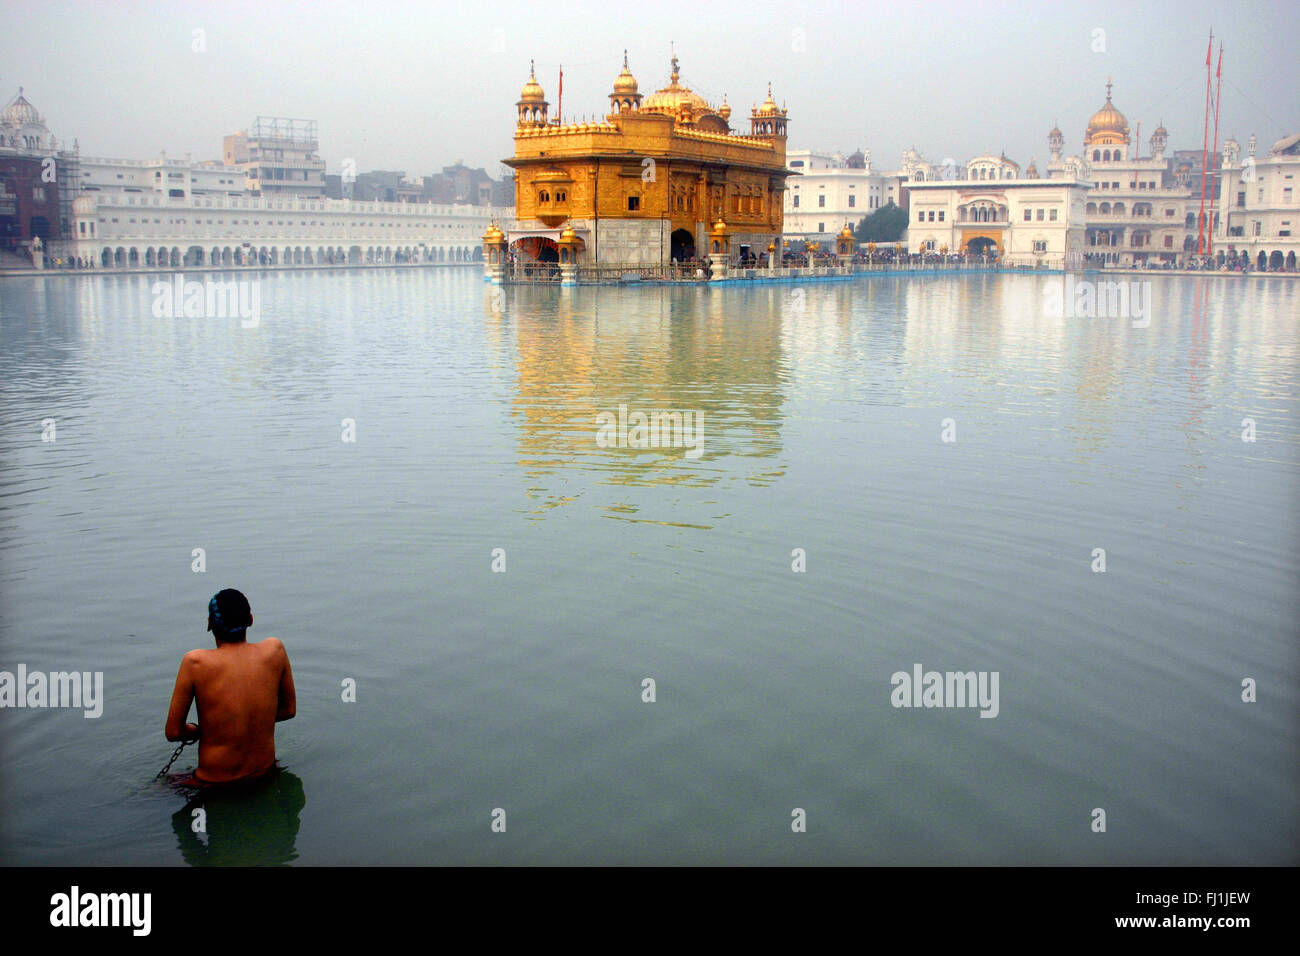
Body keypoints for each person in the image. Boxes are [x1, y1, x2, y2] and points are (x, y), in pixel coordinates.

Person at [165, 589, 296, 786]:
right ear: (251, 619)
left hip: (214, 783)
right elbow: (288, 710)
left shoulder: (195, 662)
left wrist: (211, 729)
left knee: (159, 787)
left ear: (211, 624)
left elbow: (174, 732)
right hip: (264, 775)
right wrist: (250, 720)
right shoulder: (275, 650)